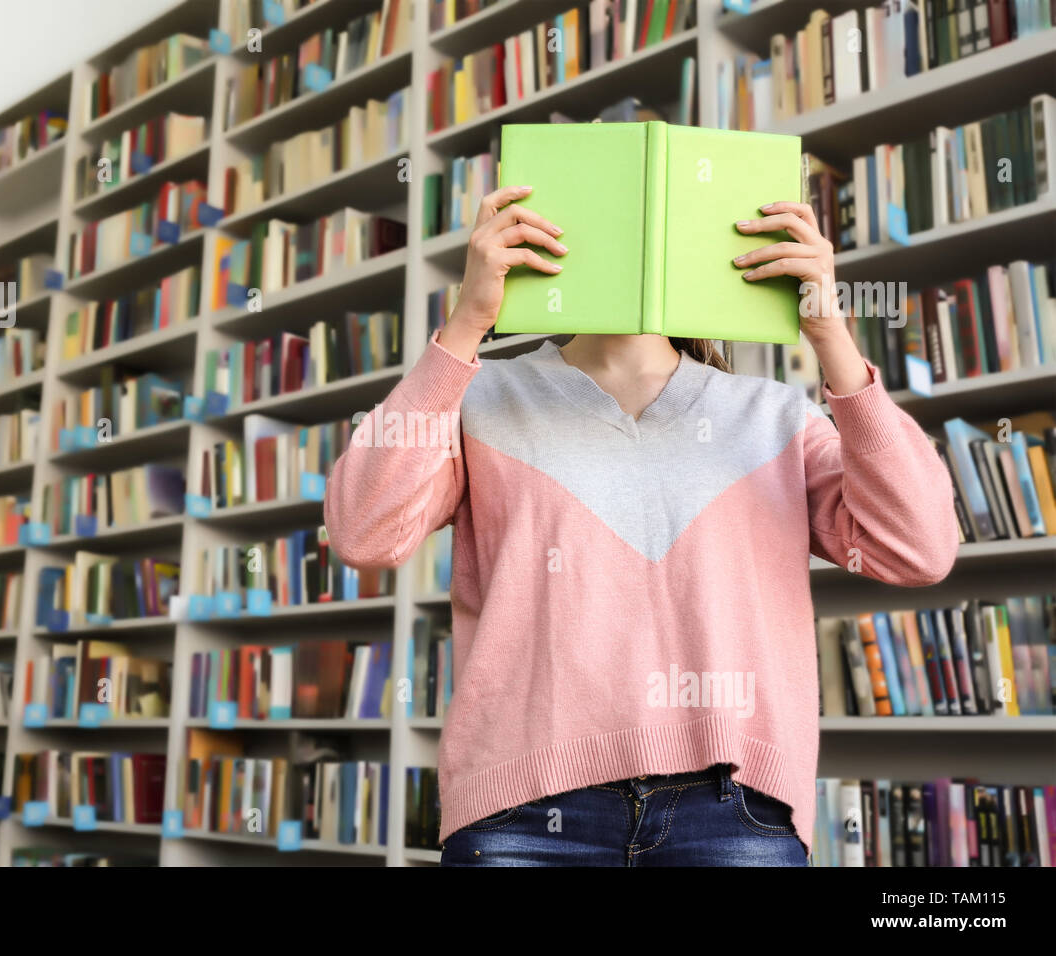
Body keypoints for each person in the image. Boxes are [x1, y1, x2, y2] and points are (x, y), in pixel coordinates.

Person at [324, 185, 959, 866]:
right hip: (521, 809)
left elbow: (919, 549)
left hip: (733, 810)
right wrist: (465, 326)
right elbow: (363, 532)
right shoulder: (481, 398)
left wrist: (831, 334)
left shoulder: (775, 416)